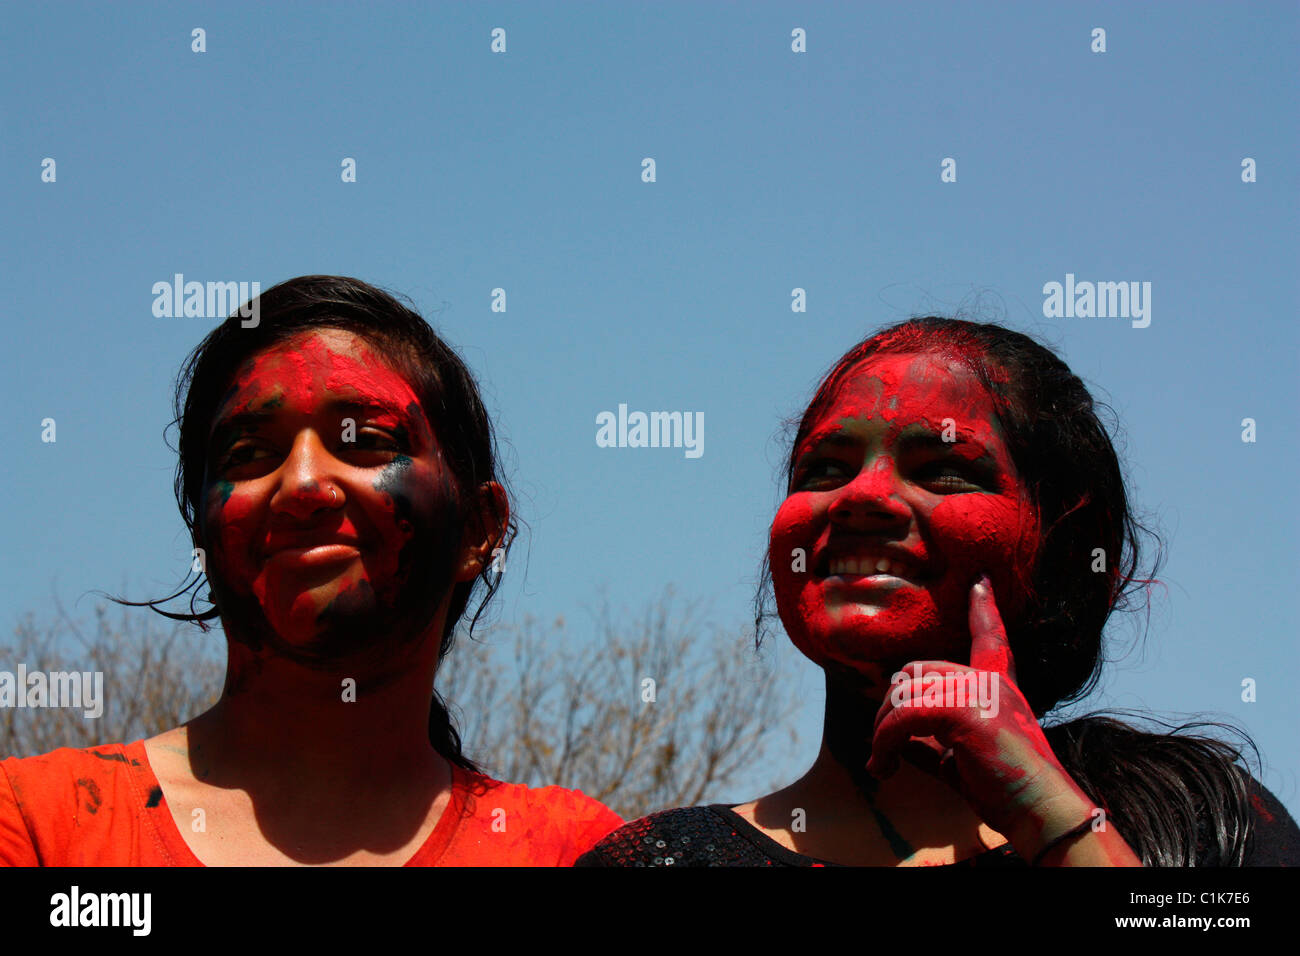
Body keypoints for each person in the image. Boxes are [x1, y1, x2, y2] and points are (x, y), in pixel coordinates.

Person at [578, 316, 1300, 867]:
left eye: (945, 471)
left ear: (1069, 547)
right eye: (824, 469)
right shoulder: (655, 859)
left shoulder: (1203, 820)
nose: (861, 497)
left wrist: (1053, 819)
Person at [0, 275, 622, 866]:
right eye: (249, 454)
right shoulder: (39, 827)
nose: (300, 485)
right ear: (205, 529)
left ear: (478, 529)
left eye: (365, 440)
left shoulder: (576, 854)